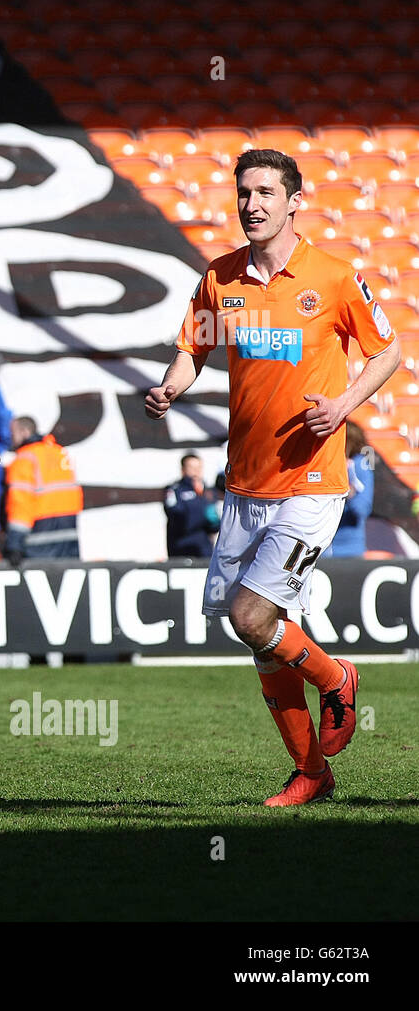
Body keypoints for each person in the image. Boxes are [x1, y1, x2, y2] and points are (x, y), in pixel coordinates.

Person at [145, 148, 399, 807]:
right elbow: (193, 345)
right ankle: (311, 771)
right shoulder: (219, 279)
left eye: (264, 192)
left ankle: (338, 677)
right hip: (244, 488)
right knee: (258, 636)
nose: (251, 203)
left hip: (311, 482)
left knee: (251, 613)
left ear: (294, 200)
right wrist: (172, 387)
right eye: (244, 192)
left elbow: (388, 350)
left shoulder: (334, 278)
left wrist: (345, 404)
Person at [3, 416, 82, 563]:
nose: (11, 438)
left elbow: (20, 503)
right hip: (69, 537)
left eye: (13, 434)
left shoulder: (24, 459)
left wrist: (14, 544)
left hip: (39, 541)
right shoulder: (59, 453)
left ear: (25, 432)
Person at [327, 421, 373, 558]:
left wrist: (348, 486)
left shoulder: (360, 465)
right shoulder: (324, 465)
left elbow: (362, 510)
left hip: (349, 550)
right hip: (320, 549)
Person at [164, 453, 219, 557]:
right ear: (183, 469)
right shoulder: (175, 490)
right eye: (192, 467)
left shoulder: (209, 491)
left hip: (205, 550)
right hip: (181, 549)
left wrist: (215, 522)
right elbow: (177, 516)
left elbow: (215, 525)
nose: (196, 471)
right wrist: (202, 515)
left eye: (199, 467)